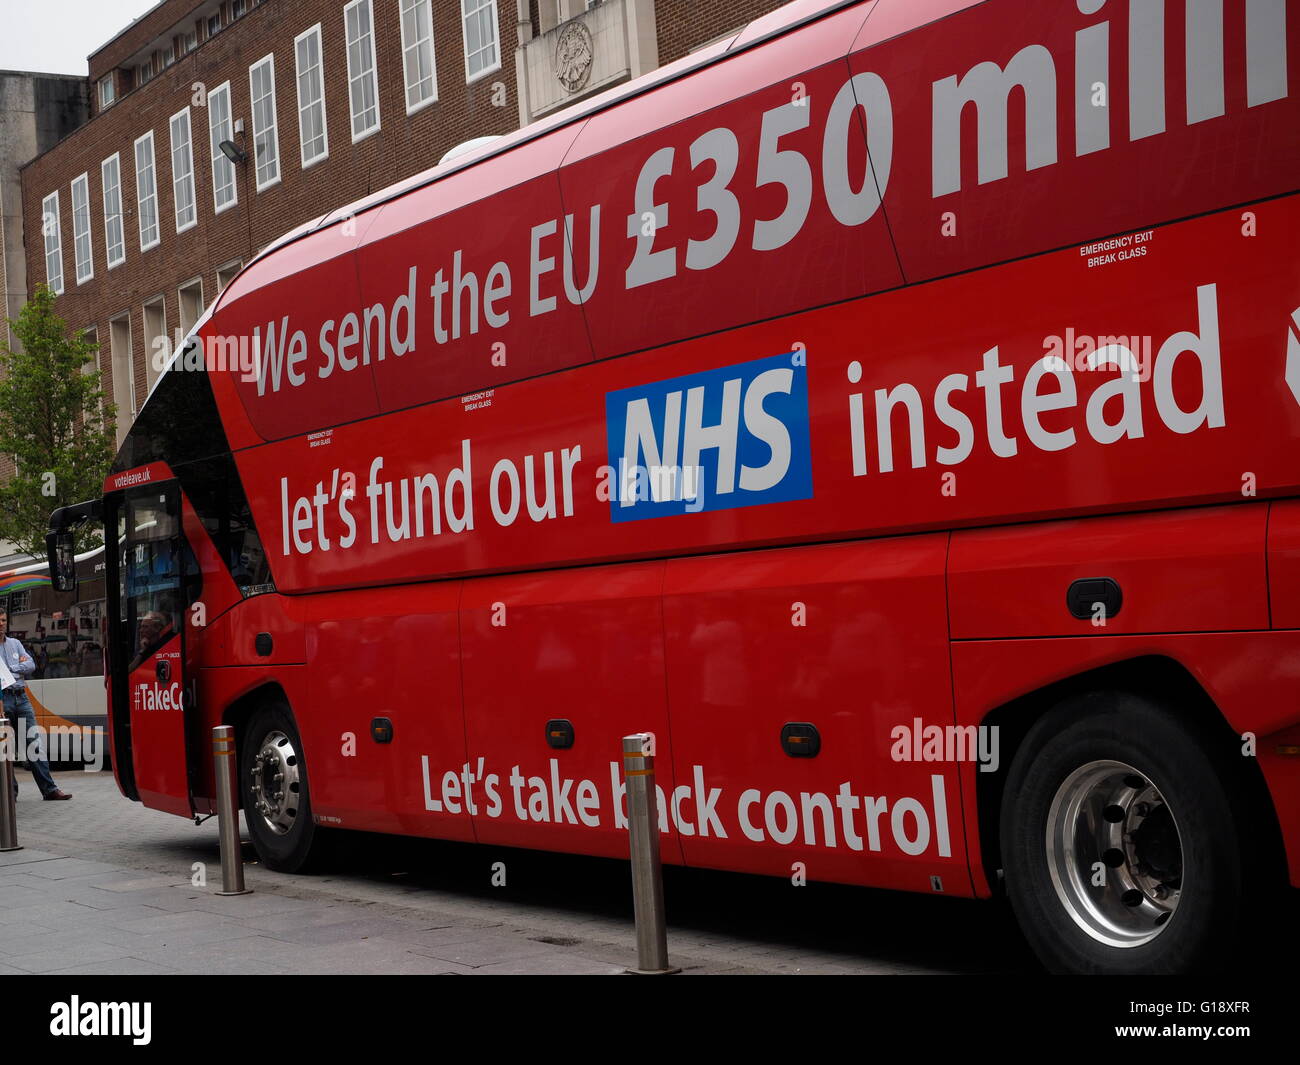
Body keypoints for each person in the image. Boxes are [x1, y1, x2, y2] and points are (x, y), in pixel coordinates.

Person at [0, 612, 71, 801]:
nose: (1, 624)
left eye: (4, 620)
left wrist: (11, 669)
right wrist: (17, 667)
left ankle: (49, 790)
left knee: (34, 744)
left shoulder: (15, 644)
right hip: (2, 700)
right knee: (5, 749)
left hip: (21, 698)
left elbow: (31, 664)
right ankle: (10, 794)